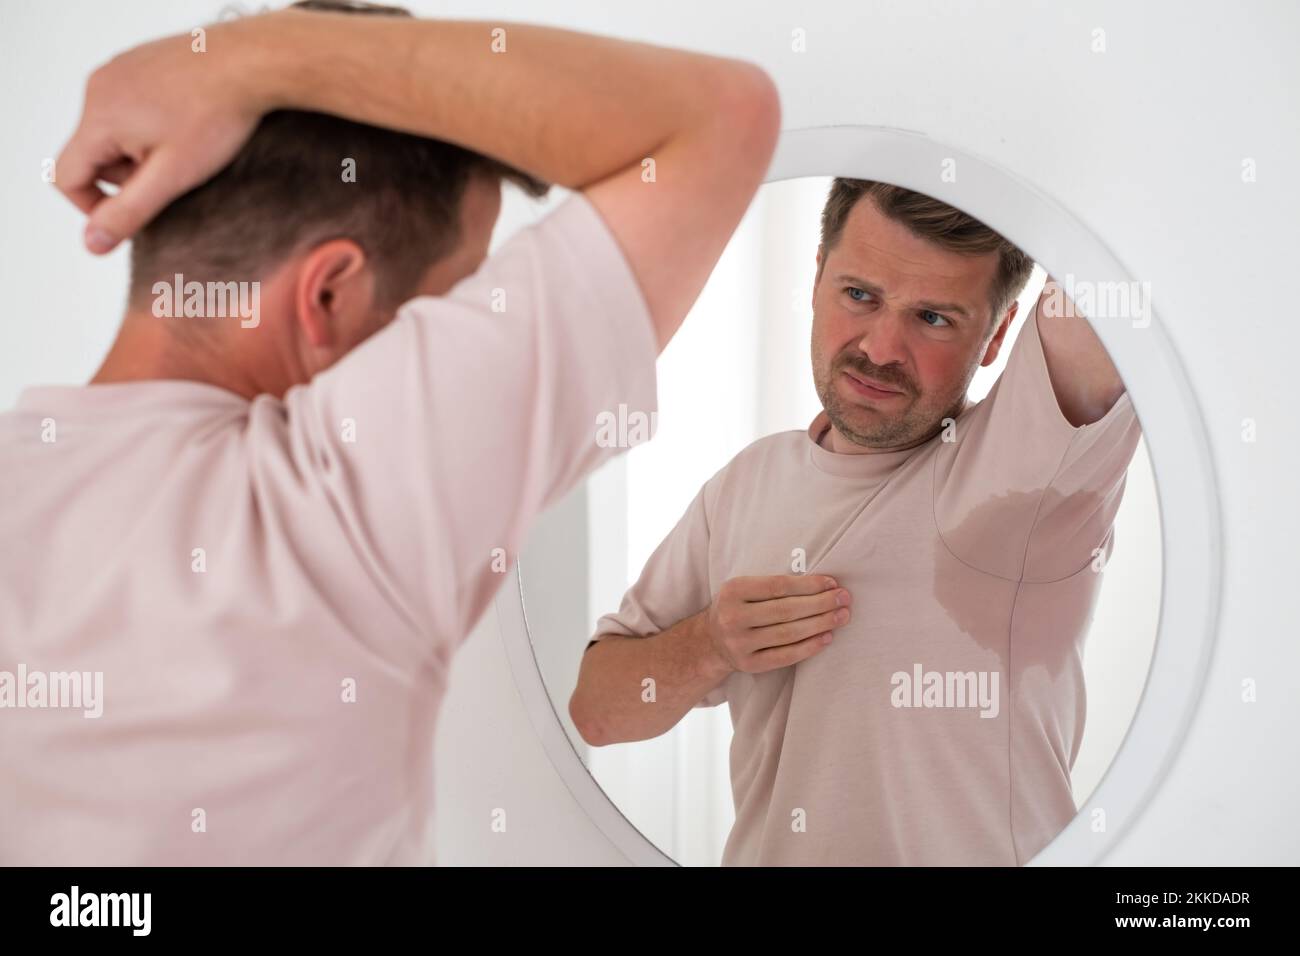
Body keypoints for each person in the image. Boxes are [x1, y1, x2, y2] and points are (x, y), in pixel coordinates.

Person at [0, 1, 780, 864]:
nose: (457, 332)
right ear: (328, 296)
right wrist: (234, 63)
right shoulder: (329, 502)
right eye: (457, 294)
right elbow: (718, 120)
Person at [570, 179, 1141, 866]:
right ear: (815, 279)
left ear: (995, 338)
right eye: (860, 295)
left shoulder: (1026, 468)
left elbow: (1123, 243)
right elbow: (597, 712)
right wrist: (710, 644)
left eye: (933, 318)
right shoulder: (745, 485)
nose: (880, 348)